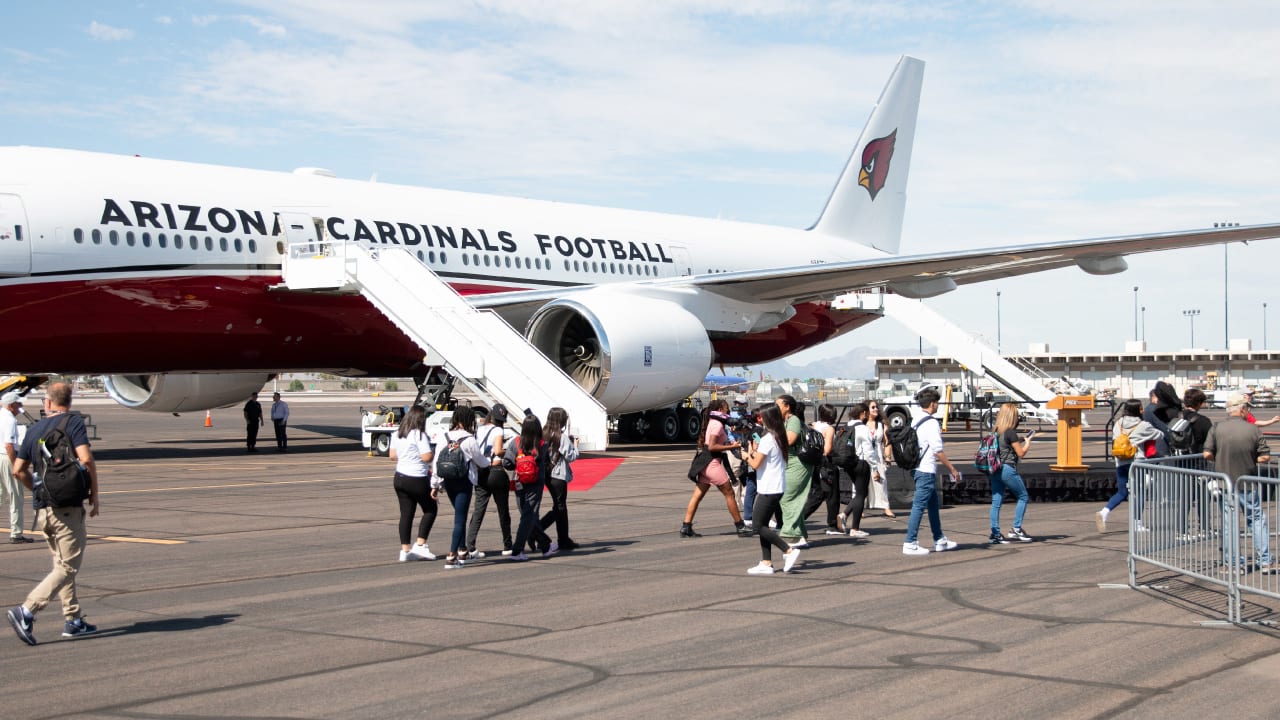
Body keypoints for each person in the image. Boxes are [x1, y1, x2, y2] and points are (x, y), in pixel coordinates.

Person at [6, 382, 100, 646]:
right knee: (69, 566)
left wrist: (40, 491)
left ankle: (73, 620)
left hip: (44, 511)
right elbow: (86, 459)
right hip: (67, 510)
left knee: (62, 566)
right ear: (68, 402)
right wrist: (94, 495)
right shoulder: (73, 423)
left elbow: (18, 470)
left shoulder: (34, 428)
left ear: (48, 403)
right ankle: (26, 611)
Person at [1204, 392, 1273, 574]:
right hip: (1247, 483)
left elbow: (1207, 454)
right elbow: (1265, 456)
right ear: (1242, 409)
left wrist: (1219, 459)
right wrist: (1252, 460)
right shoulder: (1253, 430)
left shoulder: (1217, 427)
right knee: (1257, 520)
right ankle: (1265, 561)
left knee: (1229, 524)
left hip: (1224, 483)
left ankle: (1234, 564)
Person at [742, 405, 802, 574]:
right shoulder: (779, 436)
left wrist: (747, 455)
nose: (759, 419)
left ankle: (788, 550)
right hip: (776, 486)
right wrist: (754, 450)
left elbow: (755, 464)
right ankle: (766, 562)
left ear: (768, 419)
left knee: (757, 525)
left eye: (762, 416)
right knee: (763, 525)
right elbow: (764, 461)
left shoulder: (768, 439)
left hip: (769, 488)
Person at [902, 388, 960, 556]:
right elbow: (938, 450)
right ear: (933, 404)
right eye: (937, 403)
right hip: (926, 470)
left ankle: (939, 539)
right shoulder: (932, 422)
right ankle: (910, 542)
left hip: (915, 467)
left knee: (933, 504)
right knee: (919, 506)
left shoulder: (915, 420)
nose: (937, 406)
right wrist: (952, 469)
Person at [680, 400, 749, 537]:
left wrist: (728, 443)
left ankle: (686, 527)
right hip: (712, 463)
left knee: (697, 496)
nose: (728, 411)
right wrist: (732, 447)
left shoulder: (712, 422)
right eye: (726, 409)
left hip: (705, 463)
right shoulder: (717, 424)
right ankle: (740, 526)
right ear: (719, 409)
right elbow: (712, 446)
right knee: (729, 493)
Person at [432, 406, 489, 568]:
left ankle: (463, 550)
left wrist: (435, 484)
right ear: (468, 420)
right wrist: (491, 461)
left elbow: (436, 462)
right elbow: (481, 462)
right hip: (464, 482)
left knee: (459, 514)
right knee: (460, 519)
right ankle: (451, 556)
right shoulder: (469, 440)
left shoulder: (444, 437)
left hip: (448, 481)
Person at [1096, 399, 1162, 532]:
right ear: (1138, 410)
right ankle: (1137, 523)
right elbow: (1159, 434)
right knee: (1141, 492)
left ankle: (1104, 512)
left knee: (1122, 492)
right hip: (1137, 462)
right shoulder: (1143, 425)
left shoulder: (1118, 424)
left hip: (1120, 462)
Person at [388, 404, 437, 562]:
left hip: (400, 476)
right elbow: (426, 457)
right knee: (430, 509)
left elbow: (392, 455)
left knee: (406, 514)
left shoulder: (397, 433)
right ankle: (421, 545)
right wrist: (433, 452)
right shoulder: (419, 435)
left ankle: (405, 550)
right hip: (416, 477)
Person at [465, 404, 515, 557]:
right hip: (496, 470)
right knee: (503, 510)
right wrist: (510, 451)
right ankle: (507, 545)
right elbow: (498, 450)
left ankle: (470, 545)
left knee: (479, 509)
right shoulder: (499, 430)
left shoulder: (479, 429)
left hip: (481, 471)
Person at [507, 414, 553, 561]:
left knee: (526, 515)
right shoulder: (542, 444)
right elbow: (547, 462)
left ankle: (544, 544)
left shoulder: (516, 442)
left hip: (519, 481)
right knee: (529, 515)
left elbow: (506, 462)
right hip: (535, 483)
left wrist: (518, 463)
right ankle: (518, 549)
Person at [988, 403, 1034, 544]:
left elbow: (1004, 446)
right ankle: (1016, 528)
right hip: (1007, 468)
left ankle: (995, 533)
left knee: (996, 502)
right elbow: (1021, 453)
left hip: (994, 468)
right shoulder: (1010, 432)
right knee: (1023, 496)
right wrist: (1027, 443)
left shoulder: (995, 431)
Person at [538, 407, 580, 554]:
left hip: (547, 474)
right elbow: (571, 456)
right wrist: (575, 445)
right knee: (560, 507)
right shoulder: (561, 437)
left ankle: (563, 538)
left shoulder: (543, 433)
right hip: (558, 475)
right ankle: (539, 530)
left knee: (559, 506)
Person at [775, 394, 813, 548]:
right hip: (789, 462)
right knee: (791, 497)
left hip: (797, 463)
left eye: (778, 405)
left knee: (787, 498)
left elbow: (790, 440)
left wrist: (773, 438)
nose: (775, 408)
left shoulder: (793, 420)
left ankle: (791, 535)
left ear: (787, 406)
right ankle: (800, 536)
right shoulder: (783, 421)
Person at [800, 403, 841, 535]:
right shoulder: (829, 429)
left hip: (813, 463)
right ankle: (832, 525)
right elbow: (827, 449)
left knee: (817, 492)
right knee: (832, 495)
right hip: (826, 464)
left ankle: (799, 518)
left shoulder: (811, 426)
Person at [1, 391, 34, 543]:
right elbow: (9, 445)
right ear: (11, 405)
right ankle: (16, 533)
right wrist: (16, 466)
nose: (20, 406)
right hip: (7, 457)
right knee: (15, 496)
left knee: (0, 496)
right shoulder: (9, 420)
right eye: (18, 403)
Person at [837, 403, 873, 538]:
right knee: (860, 495)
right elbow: (869, 450)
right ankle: (855, 528)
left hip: (848, 463)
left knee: (860, 493)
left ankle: (844, 515)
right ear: (863, 413)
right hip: (861, 463)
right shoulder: (862, 428)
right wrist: (874, 468)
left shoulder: (846, 427)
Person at [866, 400, 895, 518]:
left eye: (877, 407)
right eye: (872, 407)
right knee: (863, 483)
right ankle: (859, 508)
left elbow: (887, 443)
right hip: (864, 457)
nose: (876, 409)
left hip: (878, 457)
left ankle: (886, 507)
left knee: (881, 482)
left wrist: (888, 457)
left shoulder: (882, 424)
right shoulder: (861, 424)